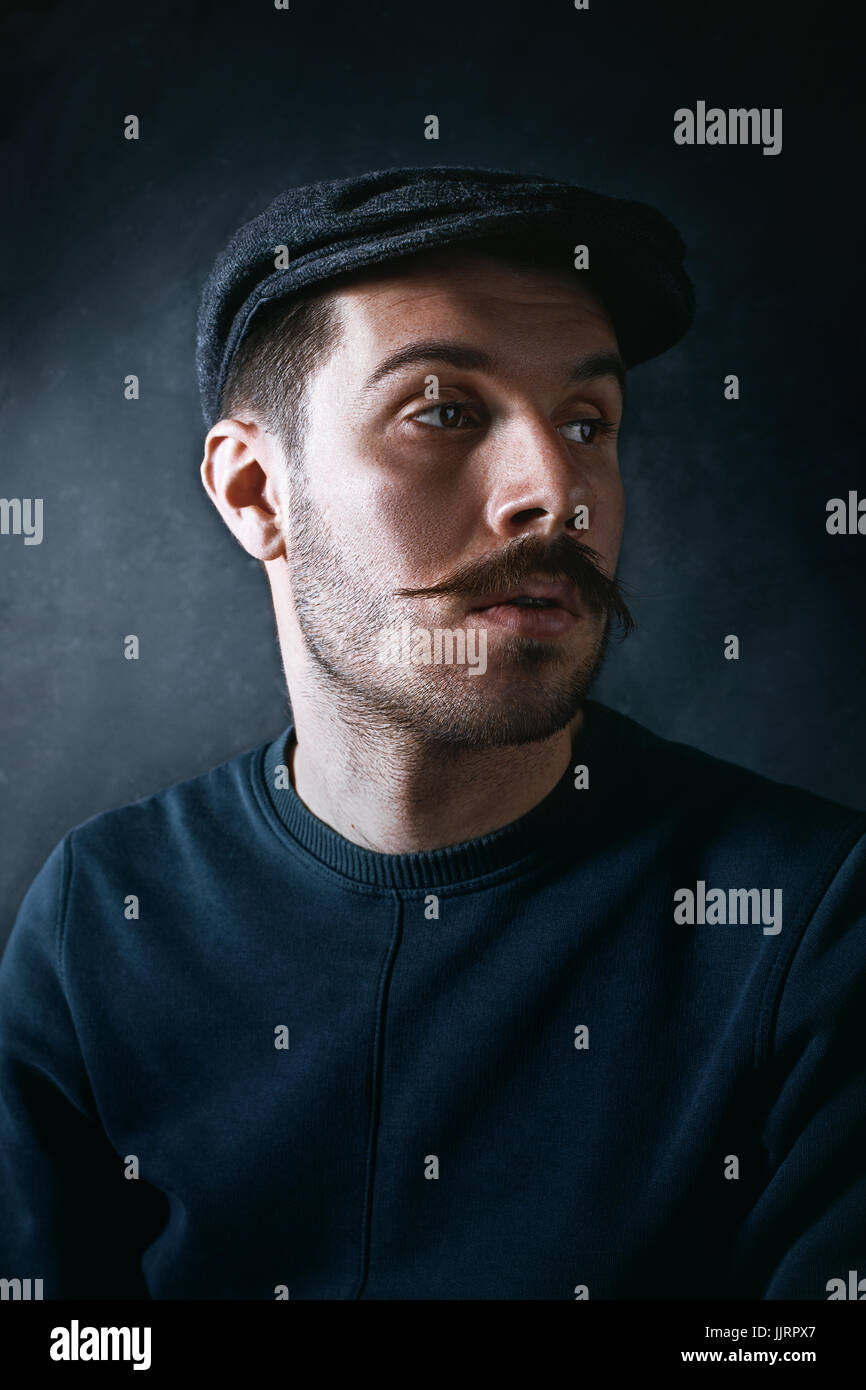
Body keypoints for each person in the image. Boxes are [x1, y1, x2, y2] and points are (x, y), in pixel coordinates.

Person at [1, 167, 863, 1301]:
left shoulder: (809, 921)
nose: (555, 491)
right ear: (256, 490)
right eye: (444, 410)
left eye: (586, 421)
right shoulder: (104, 910)